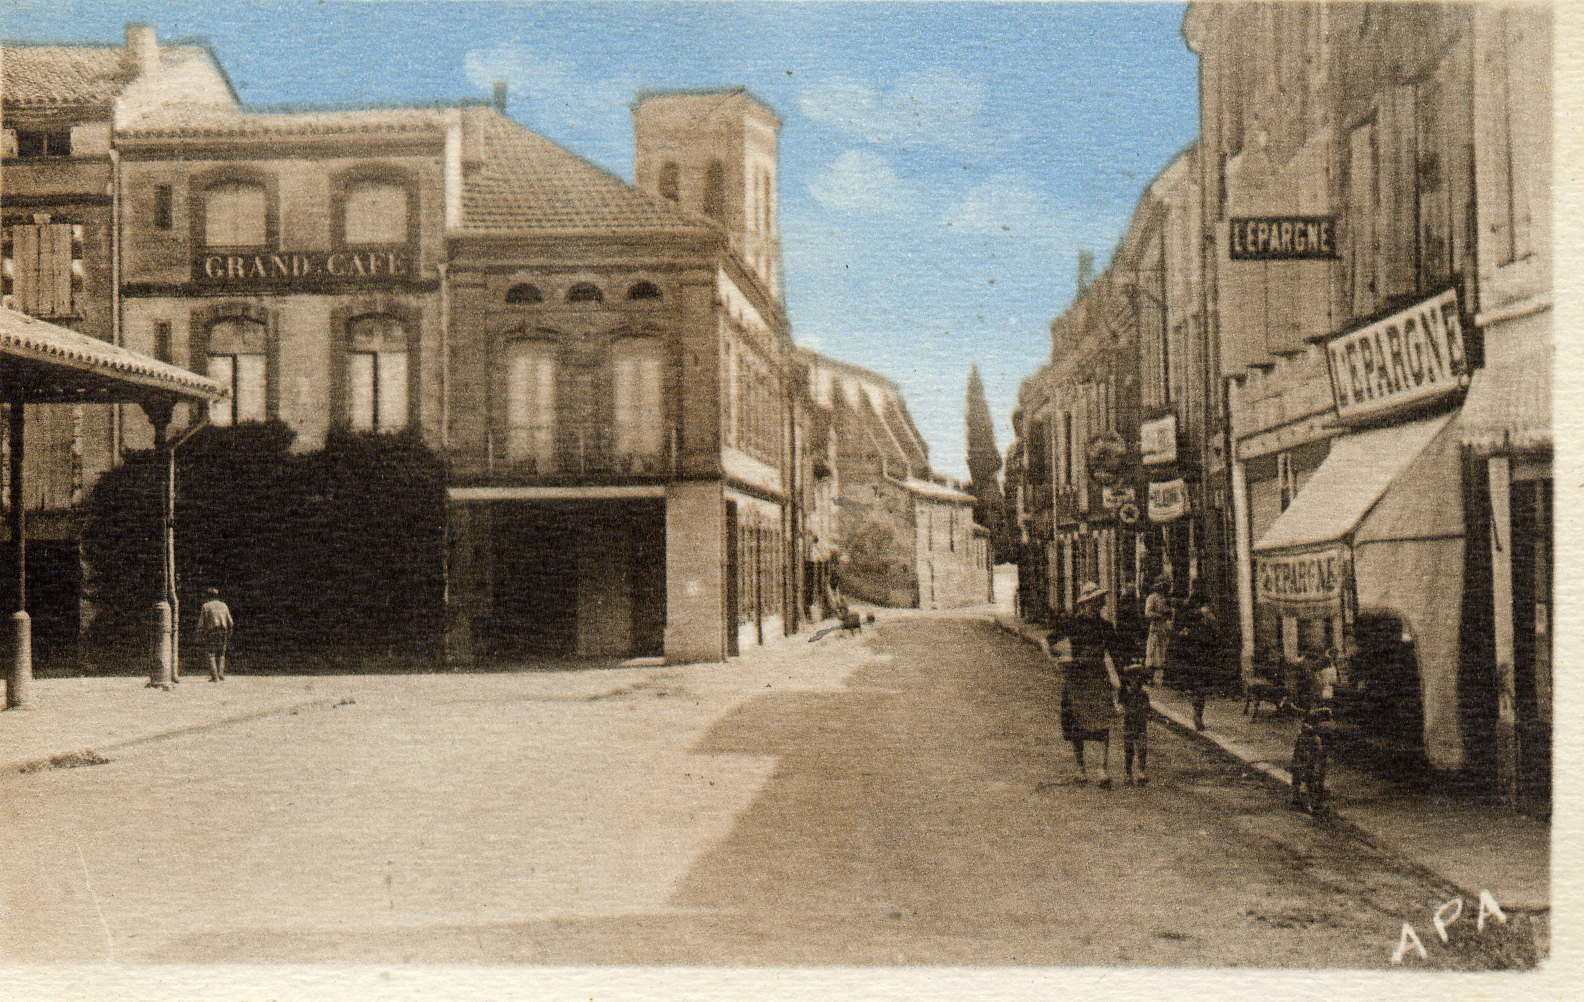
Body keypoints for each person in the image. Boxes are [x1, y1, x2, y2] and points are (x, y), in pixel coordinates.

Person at [1045, 581, 1126, 789]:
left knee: (1102, 721)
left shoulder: (1106, 627)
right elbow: (1047, 641)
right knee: (1075, 723)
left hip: (1097, 677)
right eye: (1093, 602)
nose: (1096, 606)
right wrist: (1056, 660)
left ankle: (1102, 770)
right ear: (1085, 604)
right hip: (1077, 677)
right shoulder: (1073, 623)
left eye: (1099, 602)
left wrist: (1122, 682)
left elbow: (1117, 655)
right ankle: (1081, 769)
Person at [1175, 601, 1226, 730]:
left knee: (1199, 689)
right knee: (1200, 689)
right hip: (1201, 663)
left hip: (1199, 662)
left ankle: (1197, 714)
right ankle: (1197, 715)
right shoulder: (1203, 630)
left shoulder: (1194, 630)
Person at [1118, 661, 1152, 786]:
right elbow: (1120, 707)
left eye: (1139, 679)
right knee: (1129, 750)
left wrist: (1146, 712)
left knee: (1142, 749)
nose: (1136, 681)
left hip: (1141, 726)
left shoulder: (1144, 694)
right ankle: (1128, 773)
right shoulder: (1124, 693)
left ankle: (1141, 772)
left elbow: (1148, 709)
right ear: (1129, 679)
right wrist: (1124, 710)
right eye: (1133, 678)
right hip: (1129, 725)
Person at [196, 587, 235, 682]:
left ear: (208, 596)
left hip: (212, 632)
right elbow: (230, 622)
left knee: (211, 654)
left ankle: (215, 677)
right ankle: (220, 674)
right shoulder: (224, 605)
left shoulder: (206, 606)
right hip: (223, 631)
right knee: (221, 653)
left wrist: (200, 632)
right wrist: (229, 632)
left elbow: (201, 623)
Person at [1144, 578, 1173, 686]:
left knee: (1162, 653)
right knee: (1152, 652)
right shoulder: (1152, 598)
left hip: (1164, 628)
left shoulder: (1164, 598)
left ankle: (1163, 678)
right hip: (1155, 627)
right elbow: (1148, 613)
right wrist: (1160, 615)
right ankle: (1148, 677)